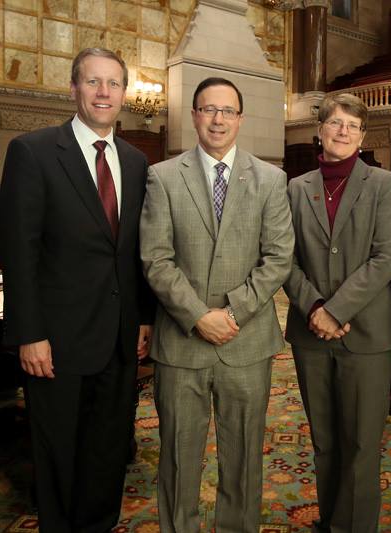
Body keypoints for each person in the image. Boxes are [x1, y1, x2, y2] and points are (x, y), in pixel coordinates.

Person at [0, 47, 153, 532]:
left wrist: (143, 318)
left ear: (124, 93)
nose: (104, 92)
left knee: (108, 449)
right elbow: (19, 253)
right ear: (73, 89)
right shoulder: (33, 151)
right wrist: (29, 333)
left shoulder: (136, 161)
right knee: (58, 451)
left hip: (120, 337)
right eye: (93, 82)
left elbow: (135, 252)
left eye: (113, 83)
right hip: (56, 340)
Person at [140, 77, 294, 533]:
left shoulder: (270, 179)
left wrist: (231, 314)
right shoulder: (164, 176)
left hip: (245, 342)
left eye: (227, 111)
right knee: (177, 457)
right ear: (194, 116)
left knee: (244, 457)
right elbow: (155, 258)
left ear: (240, 119)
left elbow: (278, 258)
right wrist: (197, 316)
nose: (218, 119)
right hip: (181, 343)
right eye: (209, 109)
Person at [283, 93, 391, 533]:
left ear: (362, 135)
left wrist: (334, 309)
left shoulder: (382, 183)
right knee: (325, 439)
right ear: (319, 129)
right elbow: (284, 258)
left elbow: (386, 255)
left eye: (352, 126)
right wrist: (315, 307)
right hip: (309, 331)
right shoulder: (296, 188)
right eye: (335, 123)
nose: (342, 132)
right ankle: (332, 519)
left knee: (361, 441)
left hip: (367, 333)